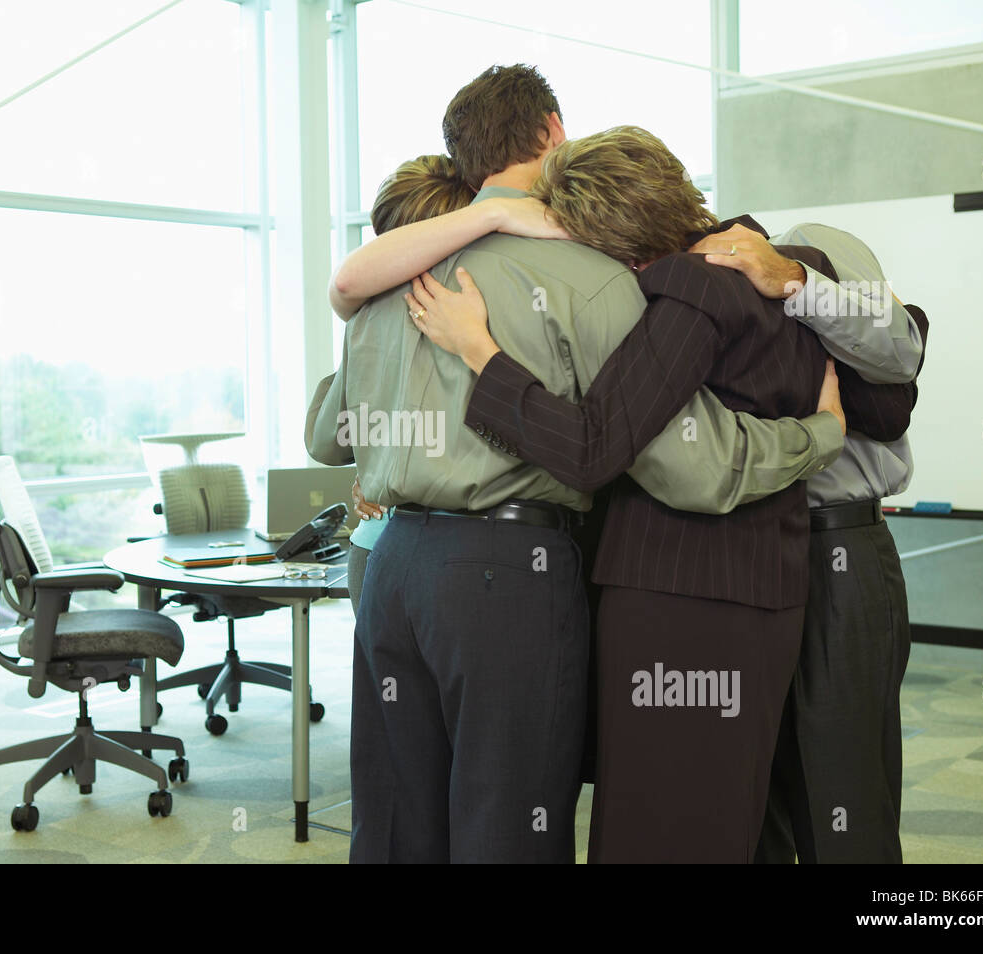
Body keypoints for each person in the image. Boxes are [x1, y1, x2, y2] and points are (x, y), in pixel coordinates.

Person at [309, 67, 847, 864]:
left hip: (391, 571)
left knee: (393, 822)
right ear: (554, 131)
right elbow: (689, 467)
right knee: (507, 817)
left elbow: (334, 433)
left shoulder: (388, 280)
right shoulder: (592, 280)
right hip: (504, 573)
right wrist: (814, 436)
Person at [394, 125, 923, 862]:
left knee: (681, 825)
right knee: (767, 816)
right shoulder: (784, 266)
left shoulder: (687, 289)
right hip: (769, 577)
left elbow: (594, 446)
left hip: (696, 587)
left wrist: (482, 356)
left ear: (621, 250)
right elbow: (893, 394)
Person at [690, 223, 927, 863]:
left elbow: (899, 353)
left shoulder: (817, 248)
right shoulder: (689, 272)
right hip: (738, 547)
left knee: (843, 786)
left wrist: (793, 281)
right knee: (753, 789)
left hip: (837, 546)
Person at [305, 153, 475, 615]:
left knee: (384, 687)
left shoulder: (368, 314)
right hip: (468, 554)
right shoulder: (479, 306)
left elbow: (327, 443)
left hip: (379, 544)